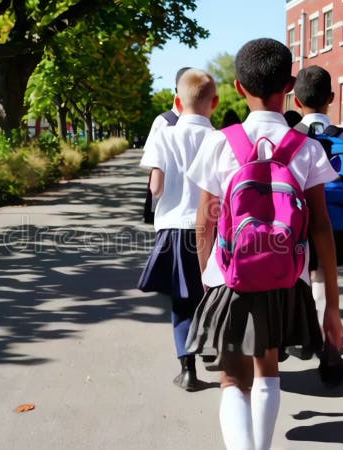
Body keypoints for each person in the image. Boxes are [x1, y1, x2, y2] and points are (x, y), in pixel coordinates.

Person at [185, 38, 343, 450]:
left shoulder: (221, 143)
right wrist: (334, 306)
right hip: (286, 277)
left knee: (232, 381)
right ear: (289, 86)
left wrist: (208, 275)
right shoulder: (305, 148)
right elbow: (322, 227)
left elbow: (205, 221)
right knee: (268, 372)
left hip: (230, 276)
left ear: (238, 87)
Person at [138, 69, 219, 391]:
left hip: (173, 230)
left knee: (181, 302)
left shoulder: (164, 135)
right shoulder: (220, 138)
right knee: (212, 295)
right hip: (211, 230)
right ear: (214, 103)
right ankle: (213, 346)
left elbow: (155, 187)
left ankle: (187, 369)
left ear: (177, 100)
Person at [291, 65, 343, 332]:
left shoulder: (290, 137)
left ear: (296, 101)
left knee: (299, 272)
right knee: (326, 274)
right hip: (337, 220)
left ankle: (299, 331)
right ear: (331, 97)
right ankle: (323, 329)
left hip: (298, 220)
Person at [143, 67, 193, 224]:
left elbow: (152, 162)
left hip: (178, 203)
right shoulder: (163, 121)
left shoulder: (163, 121)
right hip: (179, 202)